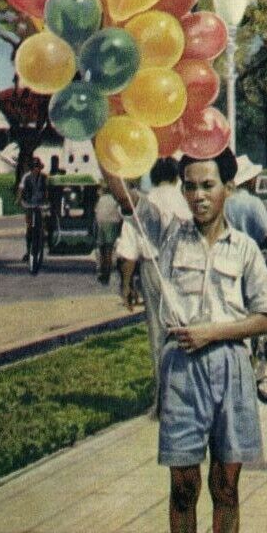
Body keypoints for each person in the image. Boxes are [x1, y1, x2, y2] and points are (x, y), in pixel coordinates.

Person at [101, 148, 267, 533]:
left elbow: (264, 317)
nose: (198, 196)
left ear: (228, 188)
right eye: (190, 186)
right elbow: (122, 193)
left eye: (208, 185)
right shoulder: (165, 233)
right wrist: (99, 122)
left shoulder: (244, 249)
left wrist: (213, 333)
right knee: (183, 485)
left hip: (230, 370)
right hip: (181, 371)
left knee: (226, 484)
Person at [117, 157, 191, 374]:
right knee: (183, 325)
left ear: (154, 177)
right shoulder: (183, 201)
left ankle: (162, 394)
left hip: (151, 267)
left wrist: (126, 284)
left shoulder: (145, 202)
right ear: (177, 176)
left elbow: (129, 250)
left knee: (157, 332)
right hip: (181, 266)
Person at [18, 157, 47, 261]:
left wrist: (47, 201)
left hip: (40, 204)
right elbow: (21, 189)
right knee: (29, 227)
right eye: (34, 167)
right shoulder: (26, 177)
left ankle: (41, 242)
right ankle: (28, 250)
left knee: (42, 224)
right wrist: (20, 200)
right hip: (29, 204)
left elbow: (47, 190)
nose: (36, 169)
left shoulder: (44, 177)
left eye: (37, 167)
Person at [94, 186, 122, 284]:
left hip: (101, 224)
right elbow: (119, 214)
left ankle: (103, 273)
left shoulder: (101, 199)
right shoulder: (115, 200)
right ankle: (106, 273)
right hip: (111, 224)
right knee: (108, 251)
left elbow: (97, 212)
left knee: (102, 250)